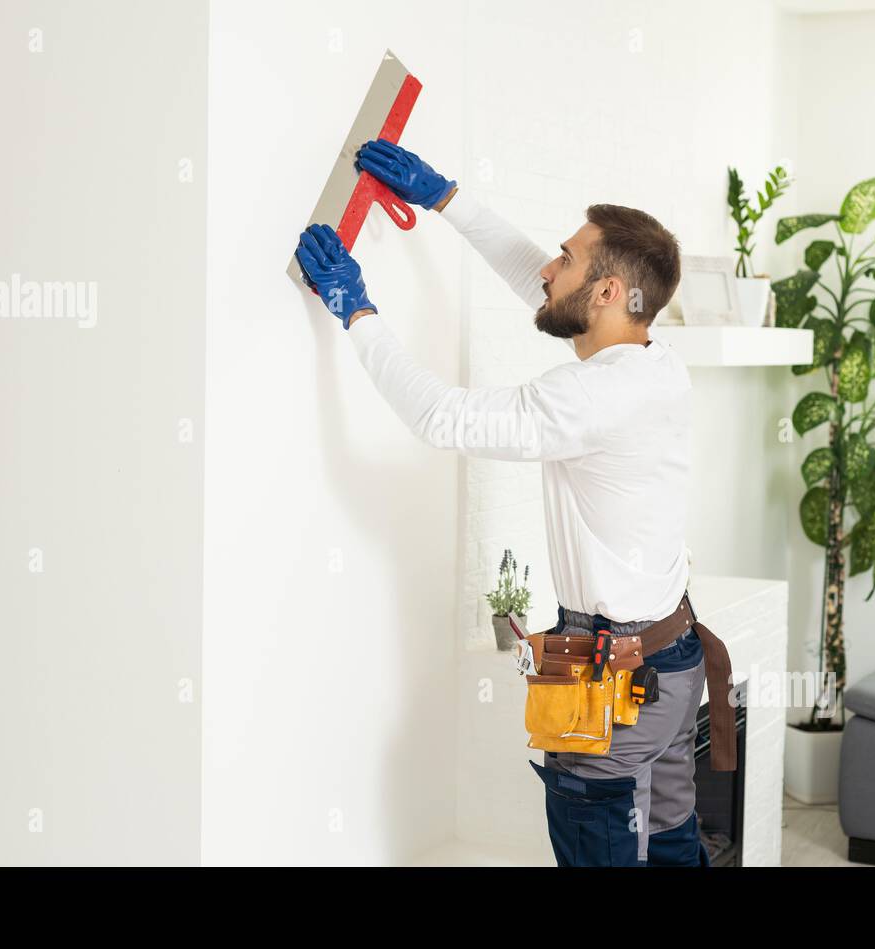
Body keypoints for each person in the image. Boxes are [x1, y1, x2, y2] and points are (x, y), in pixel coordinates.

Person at [294, 139, 721, 867]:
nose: (549, 270)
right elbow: (546, 291)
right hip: (671, 665)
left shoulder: (588, 397)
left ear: (610, 293)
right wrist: (447, 199)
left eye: (567, 258)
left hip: (617, 691)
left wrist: (358, 313)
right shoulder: (654, 359)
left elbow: (443, 418)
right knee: (673, 849)